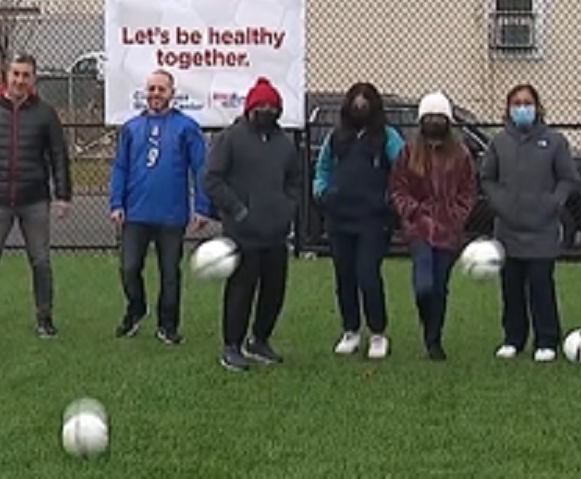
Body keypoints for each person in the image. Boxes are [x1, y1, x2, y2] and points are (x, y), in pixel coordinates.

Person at [0, 54, 73, 344]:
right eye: (16, 74)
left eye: (26, 75)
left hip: (34, 200)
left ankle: (45, 319)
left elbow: (59, 155)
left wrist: (63, 194)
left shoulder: (45, 113)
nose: (20, 80)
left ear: (33, 79)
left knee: (41, 262)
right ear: (6, 76)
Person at [203, 77, 302, 372]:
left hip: (275, 234)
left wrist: (287, 209)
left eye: (272, 106)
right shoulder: (231, 138)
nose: (266, 110)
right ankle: (231, 346)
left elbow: (295, 181)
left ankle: (260, 340)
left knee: (274, 290)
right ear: (249, 108)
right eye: (261, 105)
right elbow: (212, 179)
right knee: (241, 290)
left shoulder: (285, 145)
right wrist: (238, 210)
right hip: (242, 234)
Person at [479, 84, 581, 363]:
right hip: (508, 231)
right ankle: (513, 338)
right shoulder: (498, 142)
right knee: (511, 289)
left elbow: (568, 178)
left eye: (527, 102)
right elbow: (486, 178)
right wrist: (499, 202)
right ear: (508, 109)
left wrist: (553, 203)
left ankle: (546, 340)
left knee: (541, 288)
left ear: (537, 107)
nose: (522, 108)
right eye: (516, 103)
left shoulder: (555, 141)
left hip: (542, 231)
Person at [107, 69, 210, 345]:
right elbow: (120, 167)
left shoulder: (187, 127)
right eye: (151, 89)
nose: (155, 94)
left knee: (169, 274)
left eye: (161, 89)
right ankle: (136, 308)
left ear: (172, 93)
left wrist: (202, 207)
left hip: (171, 216)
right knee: (129, 268)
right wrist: (116, 203)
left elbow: (200, 169)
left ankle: (168, 326)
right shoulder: (130, 128)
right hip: (135, 213)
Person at [313, 82, 405, 360]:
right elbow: (323, 168)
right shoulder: (336, 137)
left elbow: (403, 170)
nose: (360, 104)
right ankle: (350, 330)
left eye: (366, 99)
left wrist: (389, 200)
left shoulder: (387, 137)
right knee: (344, 276)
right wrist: (323, 191)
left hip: (373, 220)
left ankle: (377, 332)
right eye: (356, 98)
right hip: (340, 218)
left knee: (368, 275)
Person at [388, 92, 476, 361]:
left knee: (440, 287)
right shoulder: (409, 152)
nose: (435, 121)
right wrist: (413, 213)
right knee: (424, 285)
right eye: (429, 117)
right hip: (419, 230)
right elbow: (398, 189)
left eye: (440, 117)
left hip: (449, 233)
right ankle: (428, 324)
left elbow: (468, 193)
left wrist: (454, 217)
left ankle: (433, 340)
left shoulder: (461, 155)